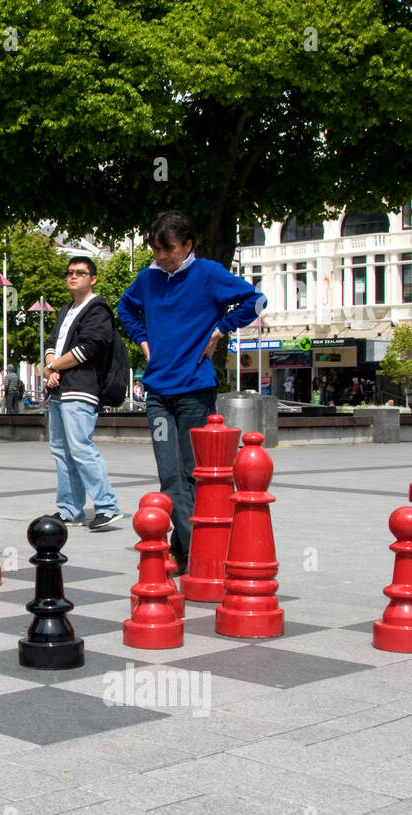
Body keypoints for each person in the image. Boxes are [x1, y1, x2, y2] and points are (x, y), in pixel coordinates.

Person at [117, 211, 265, 568]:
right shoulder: (147, 278)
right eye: (155, 249)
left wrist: (219, 330)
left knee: (191, 472)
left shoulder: (208, 274)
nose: (161, 256)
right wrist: (143, 340)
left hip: (194, 391)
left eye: (168, 249)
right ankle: (193, 548)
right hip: (157, 394)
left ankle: (193, 549)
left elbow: (256, 301)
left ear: (187, 245)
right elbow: (125, 308)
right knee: (168, 474)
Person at [43, 256, 123, 531]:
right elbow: (52, 342)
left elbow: (89, 347)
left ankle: (107, 507)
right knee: (61, 451)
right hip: (58, 390)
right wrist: (50, 367)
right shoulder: (66, 310)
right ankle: (70, 509)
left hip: (82, 388)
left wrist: (53, 365)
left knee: (80, 448)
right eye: (69, 273)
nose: (73, 276)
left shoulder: (97, 309)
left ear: (93, 278)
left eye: (80, 272)